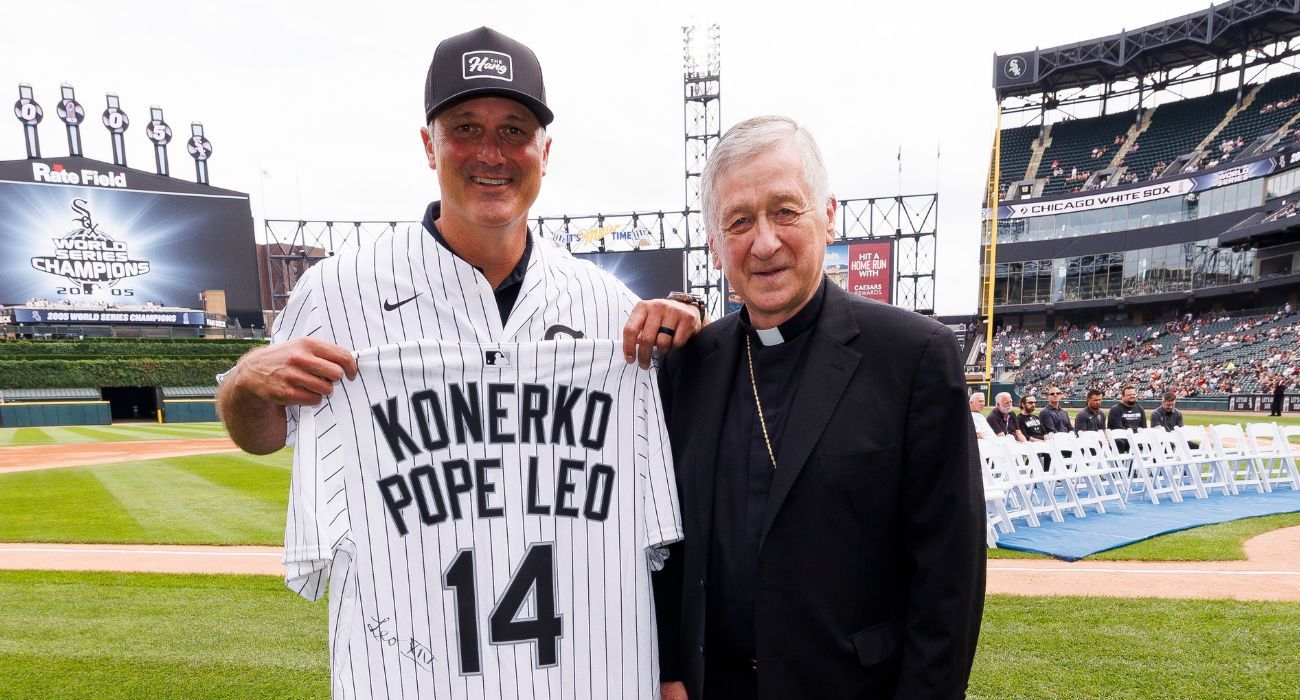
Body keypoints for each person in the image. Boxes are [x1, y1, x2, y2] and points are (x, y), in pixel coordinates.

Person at [214, 26, 703, 697]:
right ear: (429, 145)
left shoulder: (608, 311)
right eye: (466, 127)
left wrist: (689, 344)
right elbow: (259, 434)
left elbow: (659, 545)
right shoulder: (335, 292)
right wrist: (247, 379)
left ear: (544, 151)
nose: (491, 153)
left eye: (514, 130)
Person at [654, 116, 984, 699]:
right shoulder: (689, 366)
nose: (764, 242)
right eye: (739, 221)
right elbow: (670, 545)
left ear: (828, 215)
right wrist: (672, 670)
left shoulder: (914, 357)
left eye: (785, 211)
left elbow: (948, 582)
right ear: (713, 246)